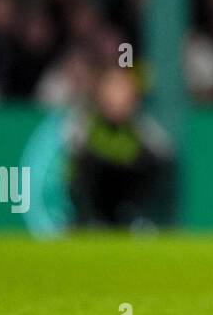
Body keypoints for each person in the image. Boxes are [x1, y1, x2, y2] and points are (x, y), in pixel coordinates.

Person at [65, 66, 175, 228]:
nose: (117, 99)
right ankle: (92, 221)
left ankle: (133, 218)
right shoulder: (86, 122)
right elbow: (73, 148)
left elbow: (165, 151)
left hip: (125, 191)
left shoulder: (139, 126)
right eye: (112, 91)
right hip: (95, 193)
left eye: (123, 92)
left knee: (149, 164)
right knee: (86, 165)